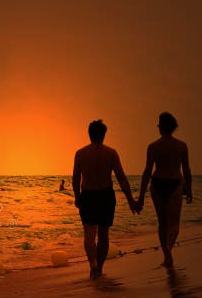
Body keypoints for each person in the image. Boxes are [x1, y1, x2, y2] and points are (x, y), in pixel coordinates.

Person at [73, 120, 139, 279]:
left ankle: (93, 265)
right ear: (103, 135)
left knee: (89, 235)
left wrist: (77, 197)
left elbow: (75, 179)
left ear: (89, 134)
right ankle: (100, 268)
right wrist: (131, 200)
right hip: (105, 196)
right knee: (104, 235)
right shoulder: (111, 153)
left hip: (88, 195)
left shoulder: (80, 153)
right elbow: (122, 178)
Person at [137, 112, 192, 268]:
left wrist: (141, 196)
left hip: (157, 183)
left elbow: (147, 172)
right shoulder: (181, 146)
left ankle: (167, 256)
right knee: (174, 224)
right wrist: (190, 189)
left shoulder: (153, 147)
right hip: (175, 183)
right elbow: (187, 170)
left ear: (160, 127)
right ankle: (168, 251)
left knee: (162, 223)